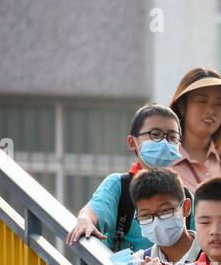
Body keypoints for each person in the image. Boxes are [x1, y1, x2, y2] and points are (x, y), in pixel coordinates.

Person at [66, 103, 186, 254]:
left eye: (172, 137)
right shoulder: (120, 185)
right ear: (132, 142)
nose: (164, 142)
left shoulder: (186, 195)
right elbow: (92, 211)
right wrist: (84, 220)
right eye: (155, 134)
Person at [104, 168, 199, 265]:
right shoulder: (139, 262)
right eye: (146, 215)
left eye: (164, 211)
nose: (157, 222)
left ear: (186, 207)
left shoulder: (212, 254)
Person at [168, 66, 221, 192]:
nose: (211, 110)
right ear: (182, 106)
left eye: (218, 104)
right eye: (202, 101)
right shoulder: (162, 162)